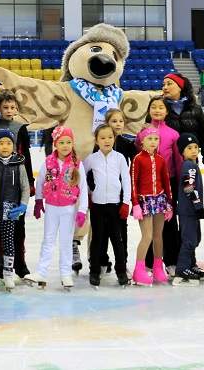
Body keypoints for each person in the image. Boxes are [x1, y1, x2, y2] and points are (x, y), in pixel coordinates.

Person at [28, 126, 89, 290]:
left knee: (66, 241)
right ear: (55, 143)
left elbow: (83, 189)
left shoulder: (77, 164)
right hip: (52, 208)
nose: (65, 145)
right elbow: (40, 181)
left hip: (68, 209)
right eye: (61, 142)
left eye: (68, 142)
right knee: (48, 240)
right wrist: (39, 201)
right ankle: (41, 271)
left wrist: (82, 210)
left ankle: (66, 273)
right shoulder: (48, 162)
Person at [0, 91, 34, 280]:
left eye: (13, 107)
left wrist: (29, 182)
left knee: (18, 227)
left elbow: (26, 156)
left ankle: (20, 263)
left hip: (16, 183)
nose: (9, 110)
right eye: (5, 107)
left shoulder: (21, 127)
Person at [84, 124, 132, 287]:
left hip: (115, 205)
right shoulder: (91, 159)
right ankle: (94, 271)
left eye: (110, 137)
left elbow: (126, 180)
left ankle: (121, 270)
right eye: (102, 138)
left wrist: (126, 202)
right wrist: (89, 193)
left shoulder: (119, 158)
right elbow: (82, 179)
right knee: (97, 239)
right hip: (97, 206)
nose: (107, 140)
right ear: (96, 140)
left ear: (114, 138)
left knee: (117, 240)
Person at [0, 129, 30, 291]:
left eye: (8, 143)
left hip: (10, 211)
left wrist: (23, 205)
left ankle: (8, 272)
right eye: (1, 143)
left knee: (8, 242)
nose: (5, 146)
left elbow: (25, 187)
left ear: (14, 146)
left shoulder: (19, 165)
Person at [129, 126, 174, 287]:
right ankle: (138, 270)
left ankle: (157, 267)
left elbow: (166, 182)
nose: (153, 142)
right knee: (147, 236)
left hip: (160, 200)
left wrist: (169, 203)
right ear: (142, 141)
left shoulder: (161, 159)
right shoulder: (138, 159)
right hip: (144, 201)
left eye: (156, 139)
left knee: (158, 236)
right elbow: (133, 183)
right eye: (150, 139)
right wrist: (135, 204)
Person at [145, 95, 181, 275]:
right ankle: (150, 262)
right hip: (148, 186)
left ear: (167, 111)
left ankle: (171, 261)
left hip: (169, 184)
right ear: (149, 110)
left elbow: (177, 160)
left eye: (161, 107)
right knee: (150, 224)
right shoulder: (143, 134)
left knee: (169, 222)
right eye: (154, 107)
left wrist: (179, 184)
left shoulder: (173, 134)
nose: (157, 110)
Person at [162, 72, 204, 182]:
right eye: (164, 84)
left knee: (190, 196)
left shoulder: (195, 109)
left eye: (169, 84)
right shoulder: (159, 108)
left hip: (190, 162)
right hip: (167, 164)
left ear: (180, 87)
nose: (165, 87)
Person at [173, 132, 204, 286]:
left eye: (196, 147)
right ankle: (182, 268)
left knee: (195, 238)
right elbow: (188, 188)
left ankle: (191, 264)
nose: (194, 150)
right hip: (189, 210)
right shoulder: (189, 166)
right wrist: (198, 206)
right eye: (189, 148)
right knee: (189, 240)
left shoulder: (192, 165)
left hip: (190, 210)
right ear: (182, 151)